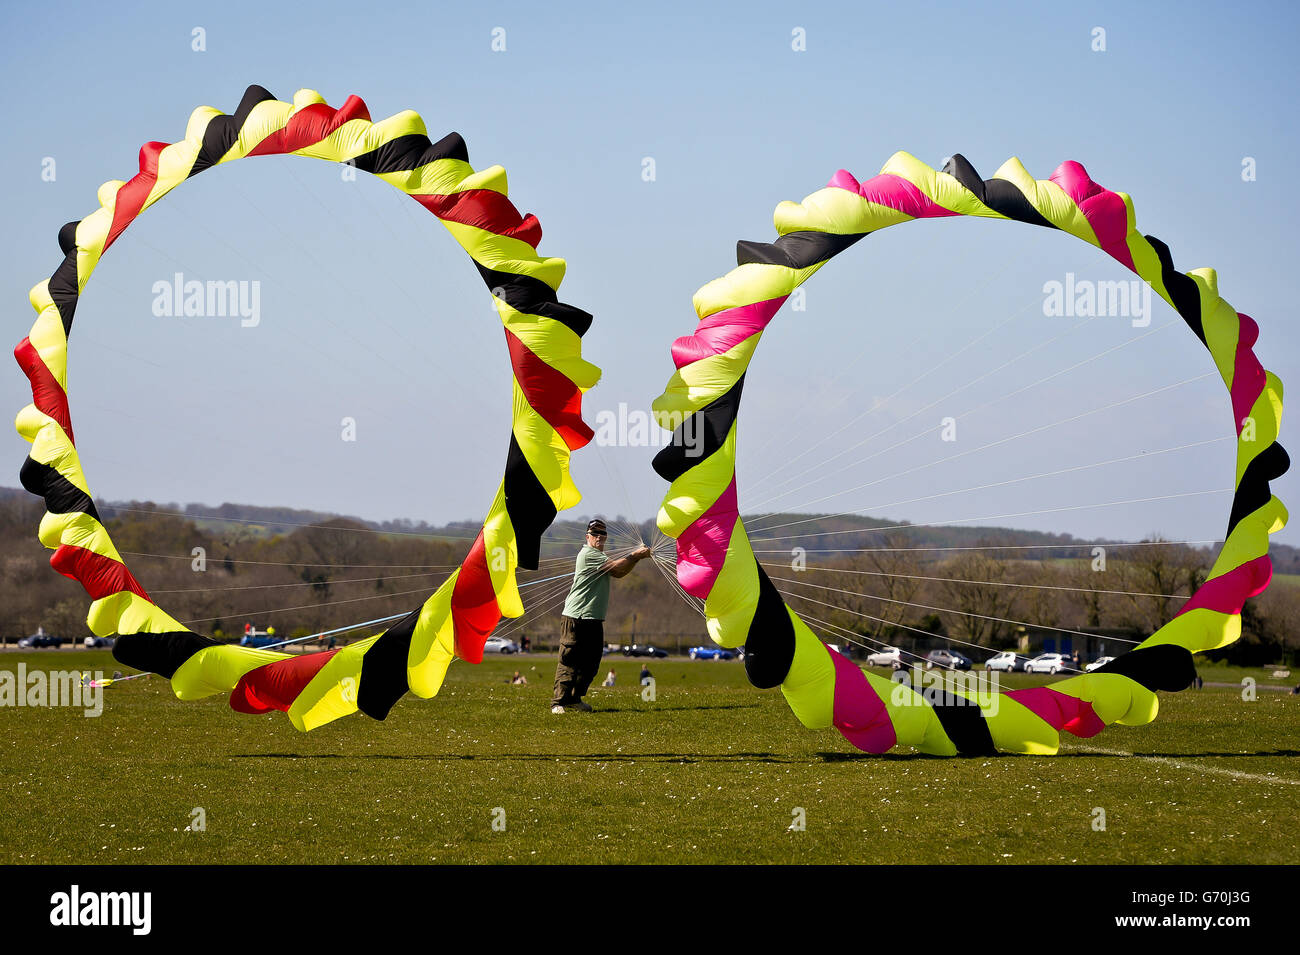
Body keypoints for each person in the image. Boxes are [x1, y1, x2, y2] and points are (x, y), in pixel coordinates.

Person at [551, 519, 651, 713]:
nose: (599, 536)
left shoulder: (600, 556)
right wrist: (636, 555)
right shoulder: (588, 554)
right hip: (576, 616)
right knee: (569, 659)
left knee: (591, 662)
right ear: (587, 536)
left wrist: (636, 558)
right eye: (594, 533)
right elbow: (617, 568)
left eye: (602, 533)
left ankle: (574, 698)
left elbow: (619, 573)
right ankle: (558, 702)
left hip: (593, 617)